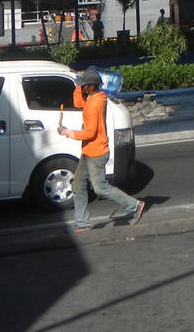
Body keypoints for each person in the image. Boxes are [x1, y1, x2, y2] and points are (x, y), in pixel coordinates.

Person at [61, 68, 146, 230]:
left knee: (101, 189)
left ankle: (135, 206)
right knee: (78, 186)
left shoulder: (95, 103)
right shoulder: (94, 97)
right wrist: (79, 84)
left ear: (91, 87)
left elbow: (90, 132)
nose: (83, 88)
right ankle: (82, 224)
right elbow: (78, 102)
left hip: (97, 153)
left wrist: (69, 133)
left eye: (85, 86)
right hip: (88, 152)